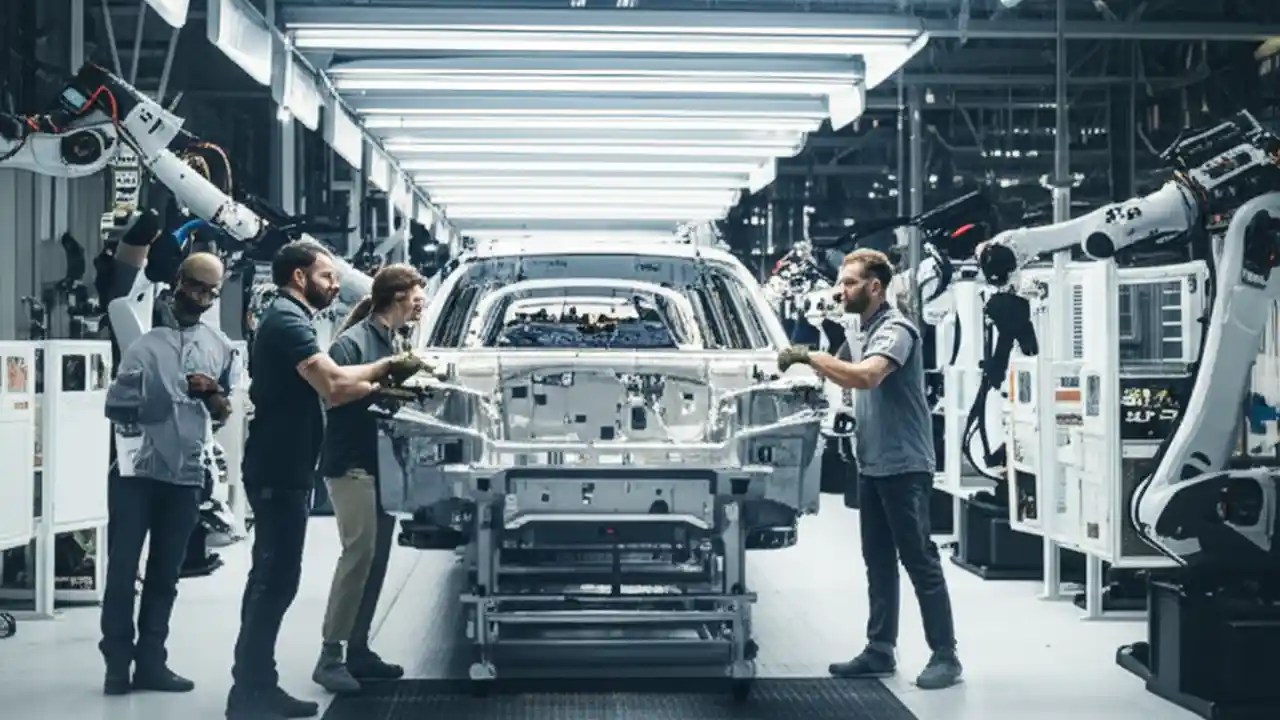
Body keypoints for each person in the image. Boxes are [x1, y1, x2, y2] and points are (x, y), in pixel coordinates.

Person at [227, 241, 426, 719]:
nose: (336, 285)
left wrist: (386, 379)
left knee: (277, 579)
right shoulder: (287, 321)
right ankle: (252, 690)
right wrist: (386, 373)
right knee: (273, 581)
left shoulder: (293, 320)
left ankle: (260, 683)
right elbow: (335, 386)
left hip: (291, 466)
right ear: (299, 277)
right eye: (327, 276)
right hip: (283, 466)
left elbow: (337, 381)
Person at [777, 248, 962, 690]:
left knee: (919, 561)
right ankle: (880, 648)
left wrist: (808, 356)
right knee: (877, 561)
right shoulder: (859, 328)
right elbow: (840, 374)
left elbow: (865, 376)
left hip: (904, 465)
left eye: (850, 283)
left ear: (875, 287)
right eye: (841, 283)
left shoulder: (896, 330)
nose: (841, 290)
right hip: (873, 462)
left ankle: (945, 655)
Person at [100, 252, 235, 696]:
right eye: (196, 286)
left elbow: (224, 413)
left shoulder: (220, 347)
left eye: (210, 291)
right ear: (178, 282)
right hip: (136, 473)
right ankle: (117, 662)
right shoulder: (142, 342)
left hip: (184, 474)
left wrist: (212, 392)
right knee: (122, 570)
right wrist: (156, 400)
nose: (201, 296)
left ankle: (152, 662)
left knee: (166, 573)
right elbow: (114, 408)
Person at [312, 264, 426, 694]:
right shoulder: (353, 342)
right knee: (358, 554)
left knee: (376, 559)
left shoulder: (391, 340)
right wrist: (385, 387)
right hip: (351, 463)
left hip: (380, 465)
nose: (420, 305)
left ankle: (358, 650)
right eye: (417, 297)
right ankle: (330, 656)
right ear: (397, 296)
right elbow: (335, 396)